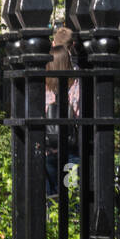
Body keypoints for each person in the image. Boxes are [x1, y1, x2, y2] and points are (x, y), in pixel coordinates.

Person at [45, 27, 80, 197]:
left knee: (50, 197)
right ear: (72, 47)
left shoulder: (44, 80)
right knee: (70, 194)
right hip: (71, 149)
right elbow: (79, 112)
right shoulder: (76, 80)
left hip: (49, 148)